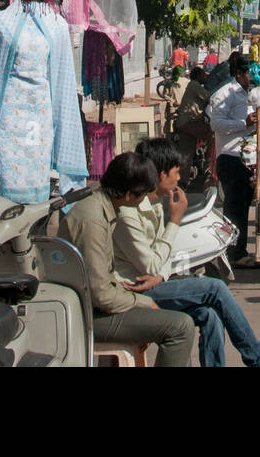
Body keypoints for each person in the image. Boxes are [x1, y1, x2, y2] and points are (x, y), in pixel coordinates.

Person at [109, 140, 260, 366]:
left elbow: (163, 260)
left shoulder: (156, 204)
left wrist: (161, 275)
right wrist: (175, 220)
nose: (179, 179)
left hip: (155, 284)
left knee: (209, 314)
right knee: (215, 288)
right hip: (134, 292)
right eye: (175, 172)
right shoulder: (129, 213)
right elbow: (151, 265)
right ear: (160, 174)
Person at [59, 154, 197, 366]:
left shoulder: (102, 207)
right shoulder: (93, 220)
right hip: (88, 315)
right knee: (181, 327)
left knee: (181, 320)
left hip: (99, 303)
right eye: (144, 194)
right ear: (129, 194)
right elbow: (101, 295)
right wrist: (143, 302)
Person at [208, 51, 260, 268]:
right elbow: (216, 124)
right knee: (234, 206)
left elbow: (253, 120)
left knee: (243, 206)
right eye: (251, 73)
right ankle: (234, 254)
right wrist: (244, 123)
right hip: (230, 158)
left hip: (247, 157)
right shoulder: (225, 94)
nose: (255, 77)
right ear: (240, 73)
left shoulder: (248, 93)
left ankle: (239, 250)